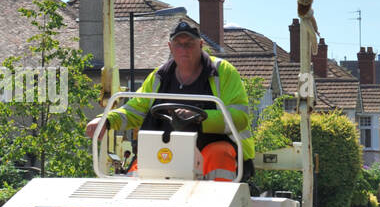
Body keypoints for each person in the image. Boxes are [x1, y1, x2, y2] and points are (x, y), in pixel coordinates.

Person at [86, 20, 254, 181]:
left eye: (189, 43)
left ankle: (220, 204)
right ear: (170, 47)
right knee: (139, 167)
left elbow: (239, 118)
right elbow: (134, 110)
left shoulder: (222, 72)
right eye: (178, 44)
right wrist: (106, 120)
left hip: (209, 147)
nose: (183, 49)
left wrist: (200, 118)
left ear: (201, 45)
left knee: (219, 153)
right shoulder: (159, 77)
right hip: (165, 150)